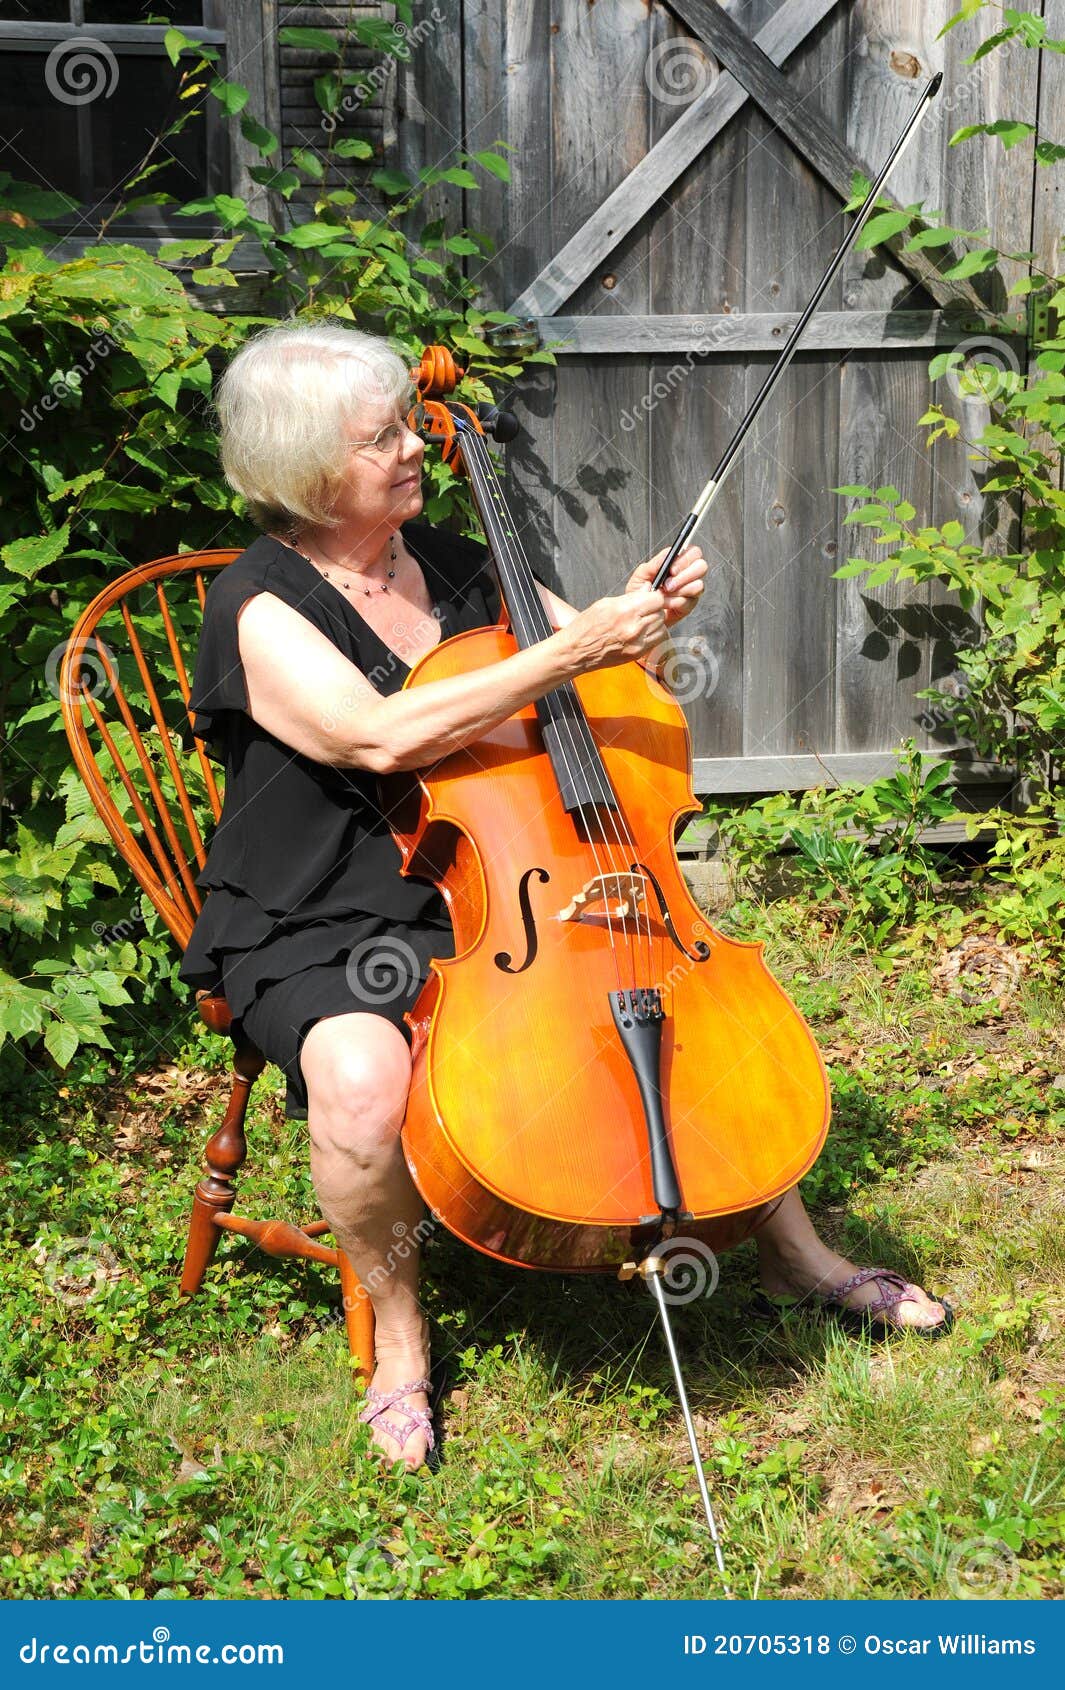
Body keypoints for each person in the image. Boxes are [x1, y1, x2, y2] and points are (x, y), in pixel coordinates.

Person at [180, 322, 952, 1473]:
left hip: (492, 880)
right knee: (358, 1075)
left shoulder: (446, 555)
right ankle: (400, 1340)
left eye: (407, 422)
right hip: (317, 908)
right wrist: (574, 644)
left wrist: (630, 622)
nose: (409, 448)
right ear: (302, 470)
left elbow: (570, 669)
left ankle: (797, 1251)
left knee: (672, 996)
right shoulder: (260, 604)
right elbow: (382, 736)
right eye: (378, 436)